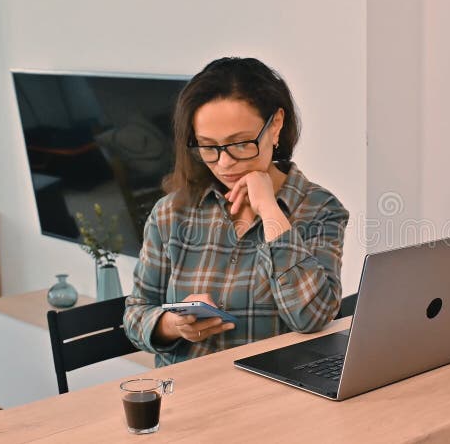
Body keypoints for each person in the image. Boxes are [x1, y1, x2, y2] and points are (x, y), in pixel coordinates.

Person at [124, 57, 349, 367]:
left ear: (276, 126)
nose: (224, 163)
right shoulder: (171, 213)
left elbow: (313, 317)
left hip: (273, 395)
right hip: (189, 394)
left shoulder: (320, 210)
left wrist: (271, 211)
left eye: (240, 144)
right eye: (208, 146)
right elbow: (136, 313)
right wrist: (173, 323)